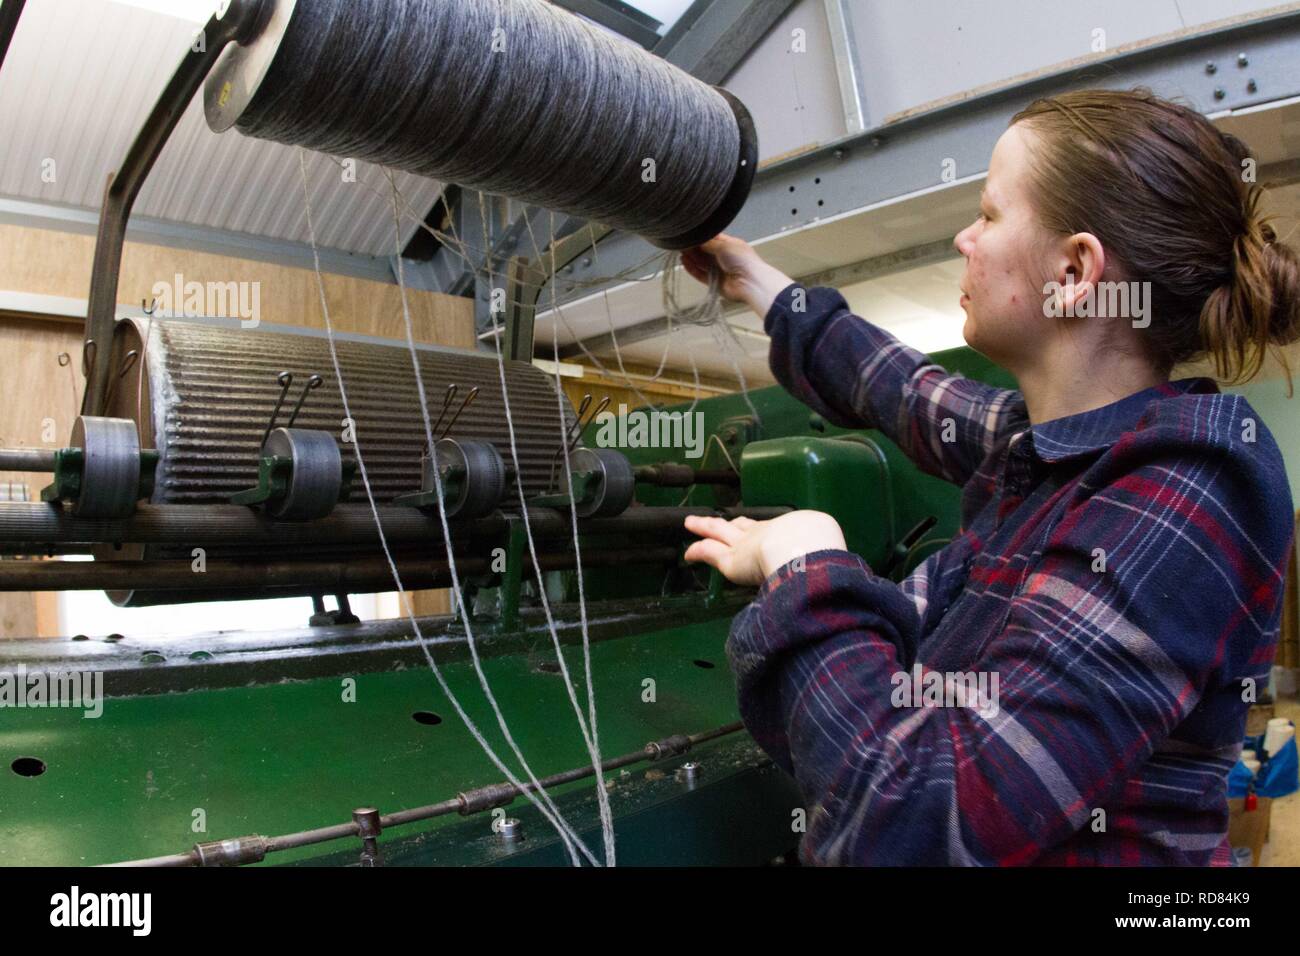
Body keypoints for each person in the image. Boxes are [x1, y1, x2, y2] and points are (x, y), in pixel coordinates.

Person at [680, 88, 1300, 865]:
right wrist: (762, 285)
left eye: (990, 214)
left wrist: (807, 565)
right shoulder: (1048, 447)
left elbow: (917, 823)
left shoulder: (1192, 485)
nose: (963, 237)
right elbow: (901, 389)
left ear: (1075, 270)